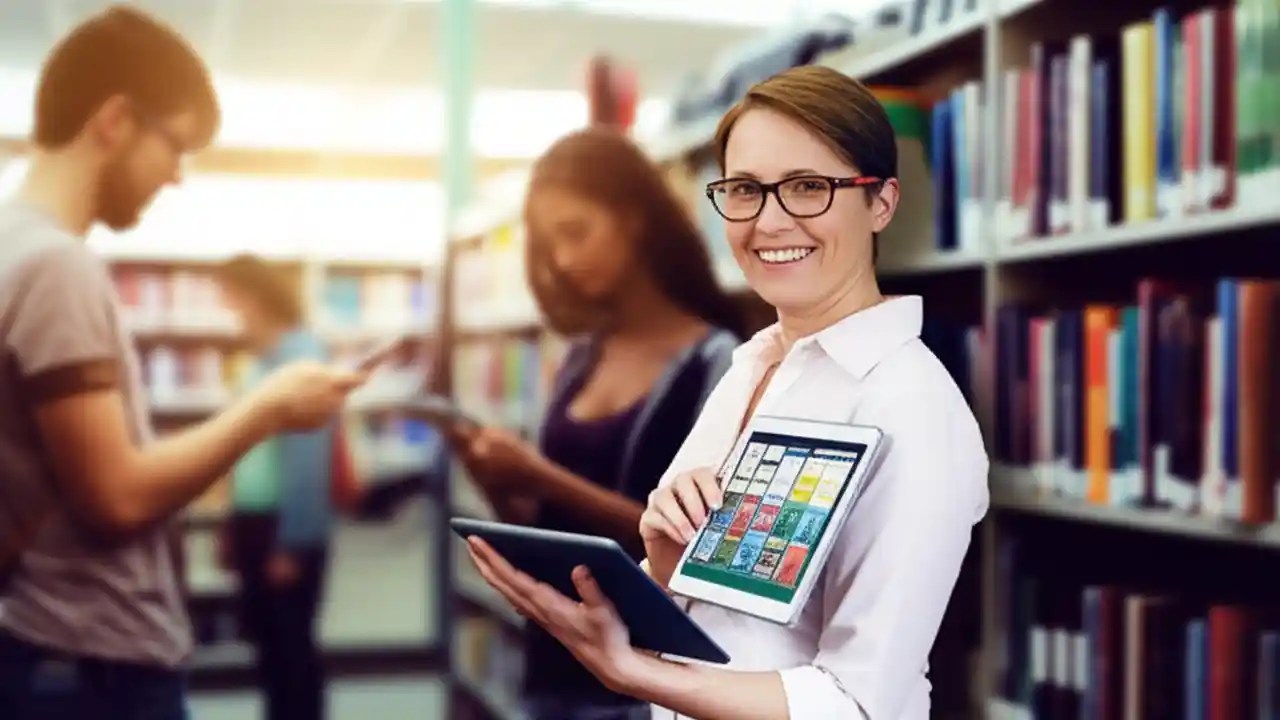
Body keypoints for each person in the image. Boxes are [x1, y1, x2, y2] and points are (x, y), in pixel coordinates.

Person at [464, 65, 990, 720]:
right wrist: (659, 569)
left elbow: (858, 703)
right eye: (745, 190)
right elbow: (721, 626)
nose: (769, 222)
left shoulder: (912, 407)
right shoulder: (750, 367)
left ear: (881, 202)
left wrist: (634, 673)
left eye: (807, 187)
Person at [0, 7, 364, 719]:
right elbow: (116, 498)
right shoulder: (56, 266)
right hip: (95, 664)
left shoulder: (12, 246)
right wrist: (267, 409)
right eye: (175, 147)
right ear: (115, 121)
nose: (175, 178)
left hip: (51, 647)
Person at [449, 127, 745, 720]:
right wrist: (496, 478)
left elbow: (699, 547)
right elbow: (546, 527)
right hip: (553, 664)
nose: (562, 260)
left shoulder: (719, 361)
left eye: (576, 233)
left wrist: (540, 474)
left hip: (646, 683)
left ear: (632, 219)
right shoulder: (579, 357)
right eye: (549, 244)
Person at [215, 254, 335, 720]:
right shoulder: (258, 361)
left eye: (228, 300)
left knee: (292, 654)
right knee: (270, 653)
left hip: (284, 528)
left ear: (254, 298)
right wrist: (230, 521)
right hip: (254, 522)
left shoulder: (301, 356)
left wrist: (292, 544)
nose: (226, 313)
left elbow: (308, 457)